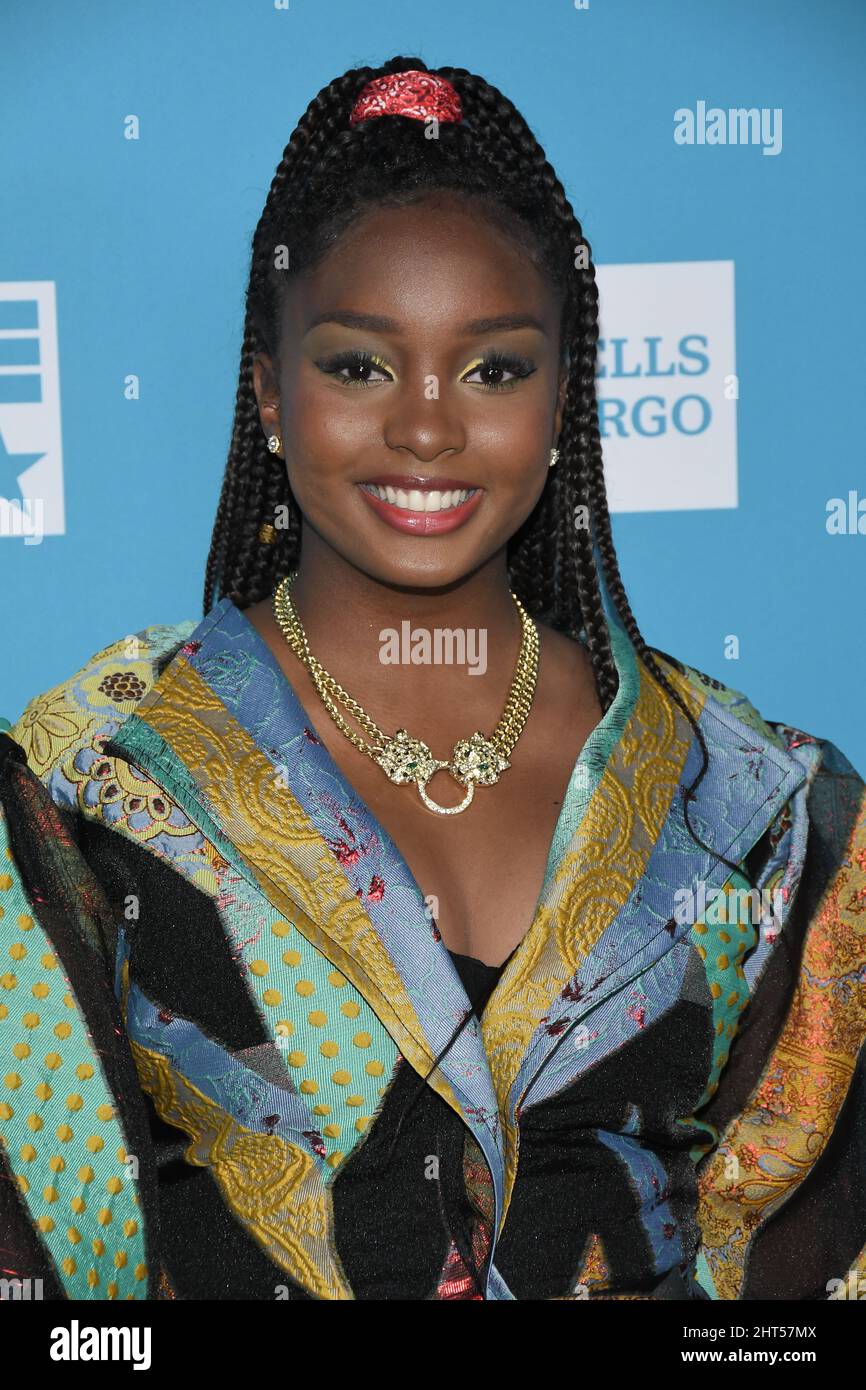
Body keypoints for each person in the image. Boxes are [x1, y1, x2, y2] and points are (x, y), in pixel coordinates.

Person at [1, 56, 864, 1303]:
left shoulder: (756, 812)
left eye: (493, 369)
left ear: (564, 400)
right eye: (358, 365)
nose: (424, 426)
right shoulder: (87, 791)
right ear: (269, 397)